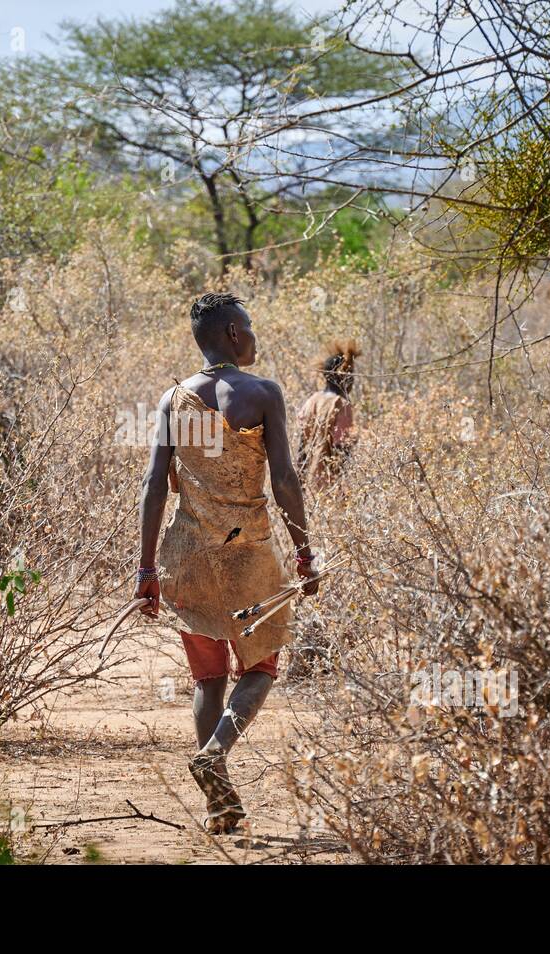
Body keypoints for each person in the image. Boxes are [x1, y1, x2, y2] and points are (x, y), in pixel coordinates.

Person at [134, 292, 318, 834]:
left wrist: (145, 570)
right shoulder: (262, 394)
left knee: (209, 679)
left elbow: (151, 489)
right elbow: (284, 480)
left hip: (185, 557)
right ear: (234, 334)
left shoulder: (173, 400)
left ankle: (220, 806)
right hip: (248, 555)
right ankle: (215, 753)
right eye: (251, 326)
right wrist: (305, 551)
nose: (255, 335)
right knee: (260, 669)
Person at [296, 339, 359, 488]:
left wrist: (300, 481)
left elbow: (302, 446)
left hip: (307, 481)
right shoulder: (341, 405)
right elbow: (341, 450)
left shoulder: (312, 400)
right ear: (345, 376)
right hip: (327, 484)